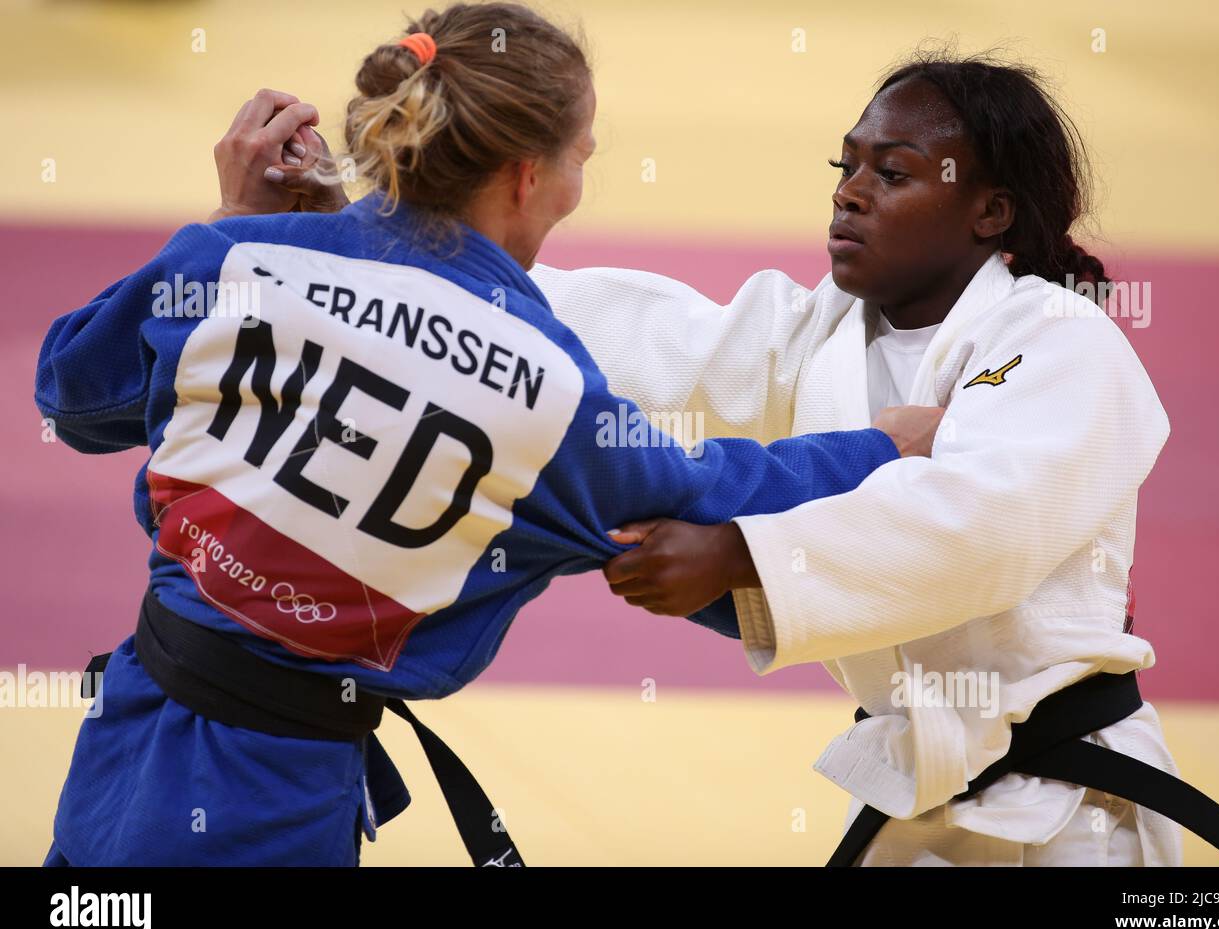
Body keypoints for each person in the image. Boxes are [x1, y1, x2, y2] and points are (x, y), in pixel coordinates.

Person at [240, 49, 1219, 867]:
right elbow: (626, 332)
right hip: (925, 799)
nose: (850, 194)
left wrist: (741, 556)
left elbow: (972, 523)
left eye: (889, 174)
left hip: (1072, 810)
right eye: (844, 167)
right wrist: (369, 247)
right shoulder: (824, 329)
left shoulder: (1060, 339)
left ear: (989, 213)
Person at [34, 4, 938, 867]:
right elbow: (721, 497)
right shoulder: (541, 388)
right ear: (526, 176)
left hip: (117, 756)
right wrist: (882, 446)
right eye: (582, 157)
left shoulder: (236, 261)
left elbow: (72, 400)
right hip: (270, 810)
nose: (580, 185)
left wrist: (234, 223)